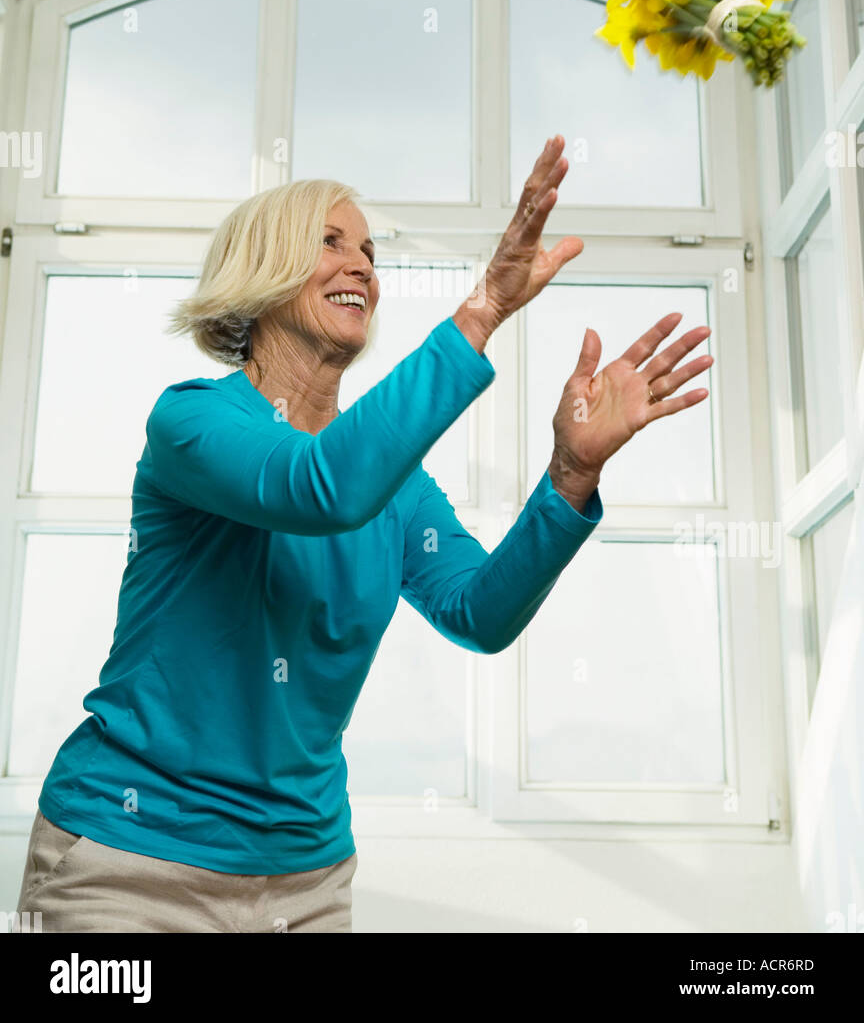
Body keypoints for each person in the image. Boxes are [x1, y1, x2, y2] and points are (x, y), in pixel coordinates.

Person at [12, 134, 712, 933]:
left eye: (370, 252)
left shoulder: (395, 489)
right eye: (330, 242)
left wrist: (569, 474)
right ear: (261, 273)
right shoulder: (193, 422)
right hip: (128, 864)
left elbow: (479, 612)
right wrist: (482, 310)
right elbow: (320, 488)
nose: (362, 267)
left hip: (307, 881)